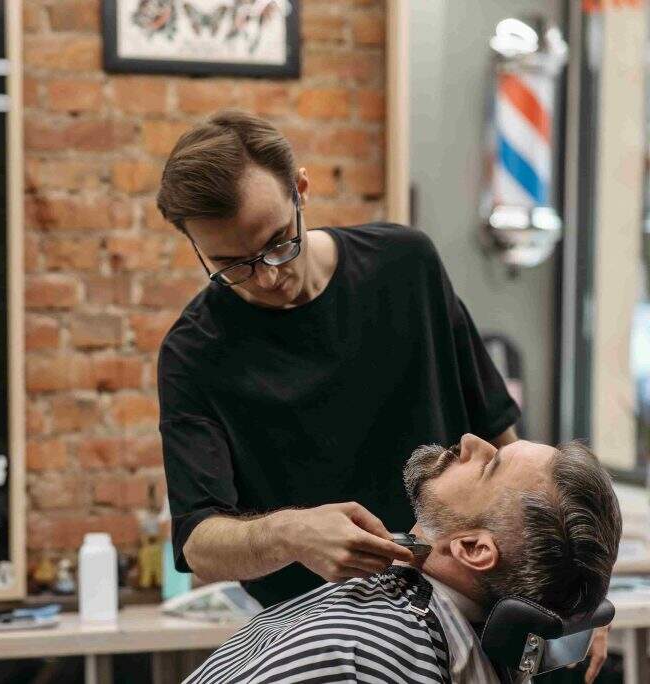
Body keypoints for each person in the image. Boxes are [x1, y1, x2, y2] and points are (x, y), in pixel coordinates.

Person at [154, 110, 608, 679]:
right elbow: (200, 542)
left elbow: (503, 445)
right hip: (326, 635)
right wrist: (291, 532)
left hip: (462, 615)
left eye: (277, 244)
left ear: (300, 188)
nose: (267, 277)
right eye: (231, 266)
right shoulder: (194, 353)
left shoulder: (404, 266)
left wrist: (572, 589)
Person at [185, 434, 622, 684]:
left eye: (489, 465)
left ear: (472, 549)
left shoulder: (362, 657)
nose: (471, 440)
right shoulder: (423, 628)